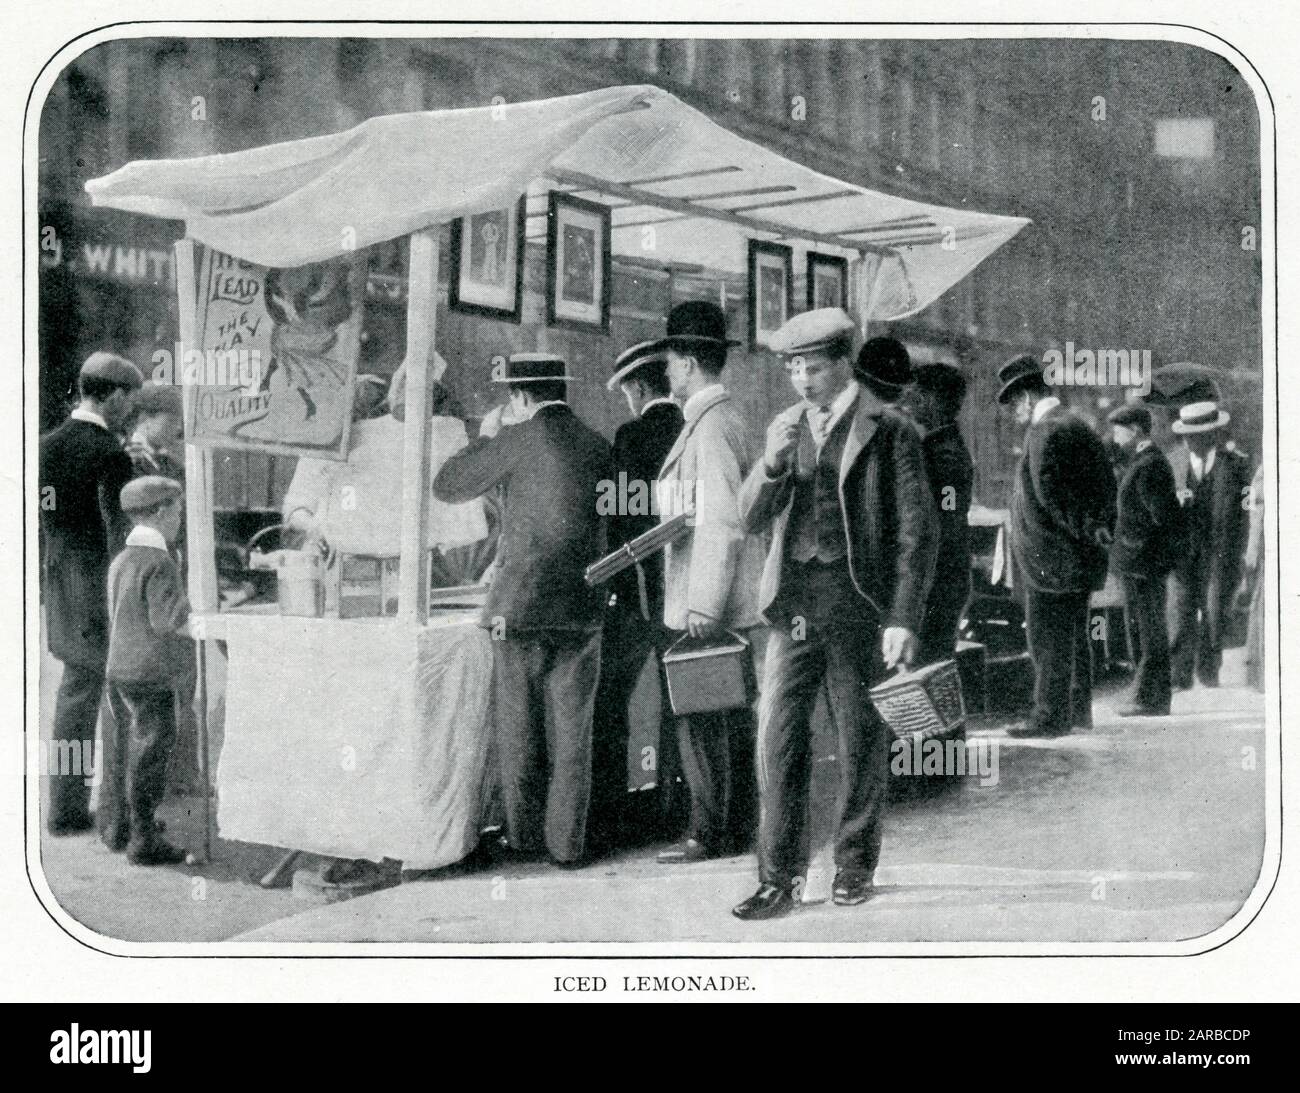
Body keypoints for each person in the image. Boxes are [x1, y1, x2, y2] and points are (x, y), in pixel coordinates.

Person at [731, 309, 938, 921]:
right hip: (793, 604)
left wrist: (902, 617)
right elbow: (748, 516)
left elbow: (915, 533)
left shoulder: (891, 429)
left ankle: (853, 866)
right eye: (793, 368)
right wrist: (770, 464)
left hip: (858, 605)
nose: (802, 380)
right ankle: (779, 878)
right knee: (777, 740)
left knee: (859, 740)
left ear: (843, 363)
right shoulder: (785, 425)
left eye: (813, 367)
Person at [433, 354, 613, 866]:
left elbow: (447, 485)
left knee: (519, 727)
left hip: (519, 605)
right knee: (573, 732)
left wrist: (488, 435)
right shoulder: (598, 444)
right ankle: (567, 845)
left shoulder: (513, 439)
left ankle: (524, 838)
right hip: (582, 604)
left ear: (520, 397)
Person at [652, 301, 766, 865]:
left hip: (708, 600)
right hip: (718, 596)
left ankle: (709, 833)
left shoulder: (712, 425)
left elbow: (722, 519)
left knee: (705, 719)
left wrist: (703, 602)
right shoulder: (717, 419)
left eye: (671, 362)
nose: (667, 373)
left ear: (692, 363)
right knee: (724, 716)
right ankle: (730, 828)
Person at [39, 351, 143, 835]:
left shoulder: (45, 445)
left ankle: (64, 805)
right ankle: (117, 812)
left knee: (74, 696)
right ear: (115, 395)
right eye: (130, 400)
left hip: (59, 581)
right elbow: (121, 532)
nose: (131, 411)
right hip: (99, 587)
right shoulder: (109, 455)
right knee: (117, 697)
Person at [588, 341, 685, 854]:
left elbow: (619, 515)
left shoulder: (633, 435)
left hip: (638, 587)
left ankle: (612, 814)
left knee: (611, 701)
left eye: (627, 390)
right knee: (680, 701)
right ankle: (678, 805)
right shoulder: (690, 428)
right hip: (687, 586)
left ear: (639, 387)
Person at [282, 353, 488, 580]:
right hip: (342, 564)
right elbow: (296, 508)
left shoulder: (421, 441)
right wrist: (314, 527)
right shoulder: (324, 446)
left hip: (413, 566)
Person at [997, 354, 1116, 739]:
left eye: (1014, 402)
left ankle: (1049, 716)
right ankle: (1078, 710)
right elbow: (1102, 486)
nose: (1013, 412)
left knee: (1046, 639)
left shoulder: (1044, 431)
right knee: (1073, 635)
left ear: (1029, 397)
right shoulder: (1078, 425)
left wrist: (1083, 527)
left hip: (1050, 558)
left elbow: (1051, 494)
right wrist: (1095, 528)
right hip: (1072, 558)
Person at [100, 476, 192, 865]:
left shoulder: (122, 560)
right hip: (150, 671)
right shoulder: (160, 562)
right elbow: (165, 621)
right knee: (153, 751)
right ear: (161, 512)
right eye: (177, 511)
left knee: (130, 747)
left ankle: (123, 826)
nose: (180, 520)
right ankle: (144, 839)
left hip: (120, 667)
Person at [1165, 401, 1251, 690]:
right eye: (1188, 435)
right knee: (1180, 611)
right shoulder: (1172, 462)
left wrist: (1241, 552)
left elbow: (1244, 514)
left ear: (1213, 435)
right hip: (1183, 553)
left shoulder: (1236, 464)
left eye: (1199, 435)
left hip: (1219, 552)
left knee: (1214, 612)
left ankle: (1209, 670)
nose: (1193, 441)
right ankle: (1180, 674)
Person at [1107, 404, 1183, 716]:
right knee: (1142, 629)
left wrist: (1136, 546)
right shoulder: (1142, 461)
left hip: (1143, 564)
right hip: (1137, 562)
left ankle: (1150, 699)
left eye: (1118, 430)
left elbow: (1161, 518)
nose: (1114, 436)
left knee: (1149, 630)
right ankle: (1148, 696)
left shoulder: (1150, 464)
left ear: (1135, 430)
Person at [902, 362, 974, 665]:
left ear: (934, 400)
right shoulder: (940, 446)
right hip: (947, 573)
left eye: (916, 394)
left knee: (929, 666)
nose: (909, 402)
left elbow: (946, 519)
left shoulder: (943, 456)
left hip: (940, 575)